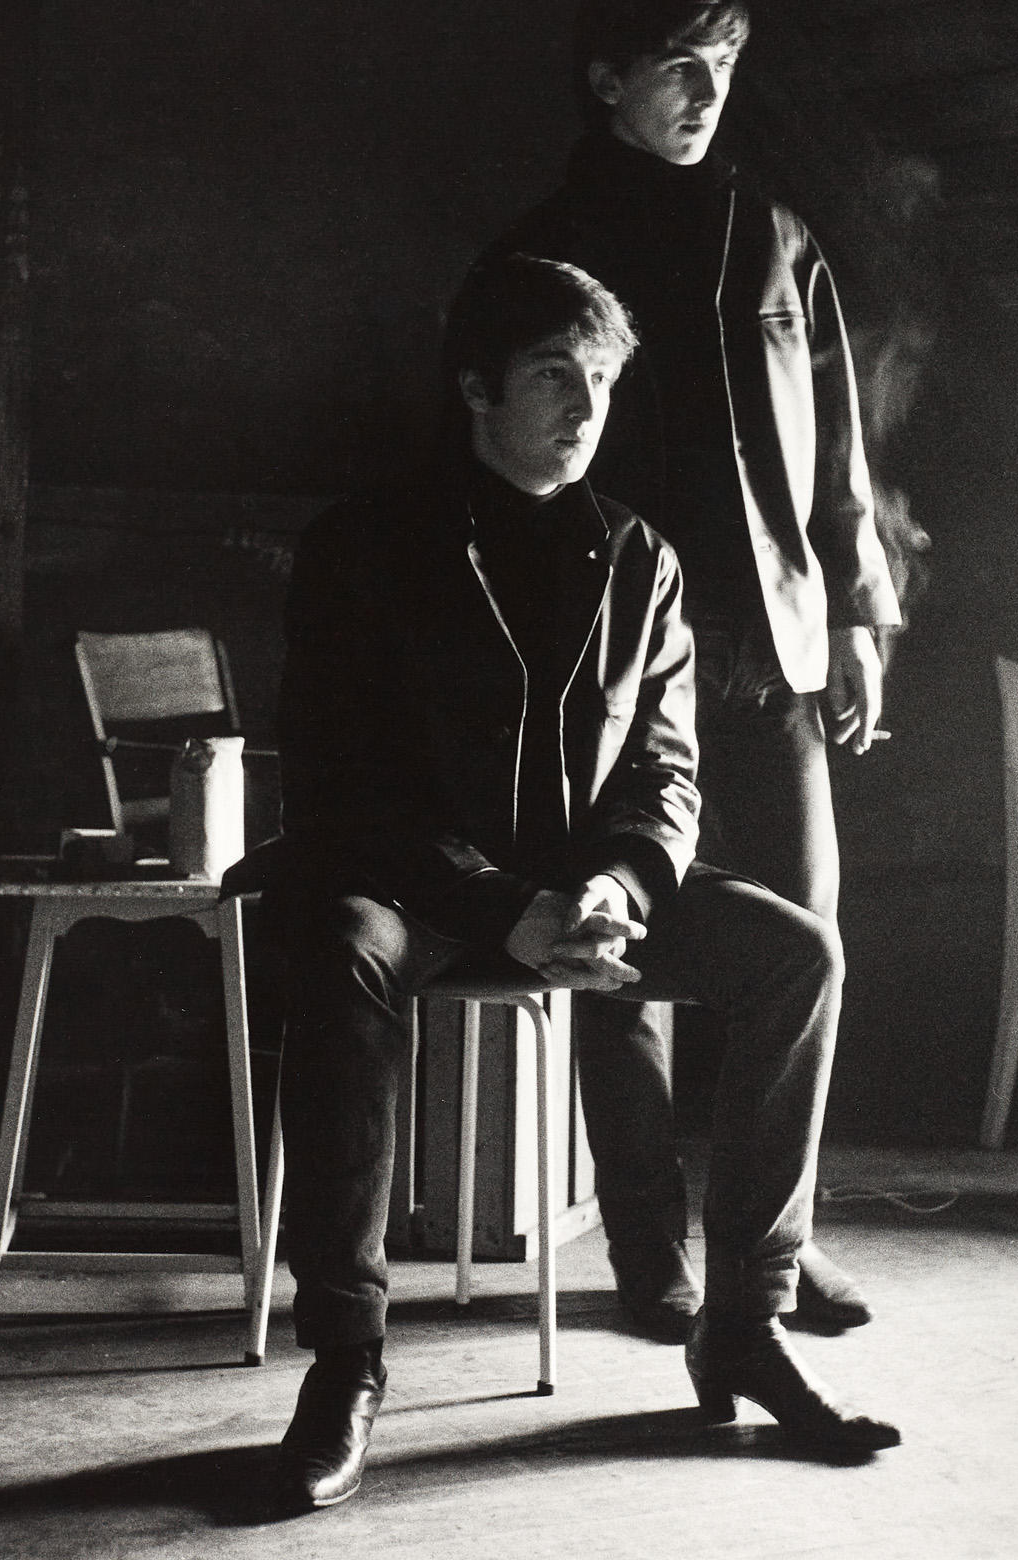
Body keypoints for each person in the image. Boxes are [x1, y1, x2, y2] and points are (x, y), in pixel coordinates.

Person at [259, 252, 899, 1513]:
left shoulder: (639, 560)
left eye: (599, 380)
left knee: (795, 955)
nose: (582, 405)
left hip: (582, 900)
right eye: (554, 374)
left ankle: (744, 1327)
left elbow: (665, 773)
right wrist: (506, 904)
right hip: (418, 896)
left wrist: (617, 886)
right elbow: (344, 792)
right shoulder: (362, 546)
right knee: (338, 946)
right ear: (475, 386)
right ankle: (345, 1360)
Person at [482, 0, 903, 1340]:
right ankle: (650, 1250)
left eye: (722, 61)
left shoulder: (775, 235)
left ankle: (772, 1250)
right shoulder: (543, 249)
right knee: (623, 965)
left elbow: (839, 449)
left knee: (801, 946)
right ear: (606, 78)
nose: (705, 87)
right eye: (677, 61)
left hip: (772, 650)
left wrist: (856, 613)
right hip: (611, 668)